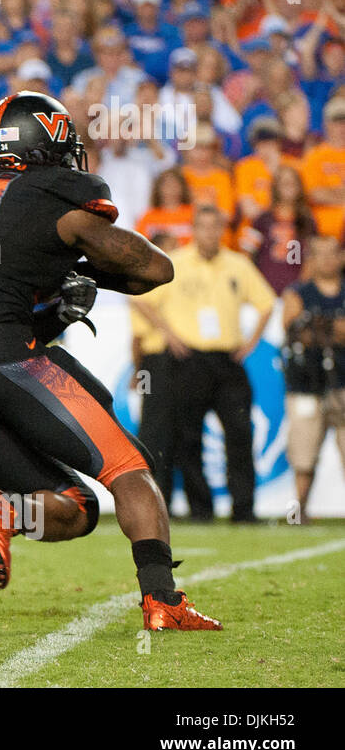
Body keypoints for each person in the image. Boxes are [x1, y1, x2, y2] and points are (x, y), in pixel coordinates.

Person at [0, 90, 221, 631]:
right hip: (3, 361)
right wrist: (91, 268)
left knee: (75, 508)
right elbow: (154, 270)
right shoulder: (54, 192)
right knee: (130, 469)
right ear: (49, 145)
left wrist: (56, 304)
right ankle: (162, 601)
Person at [133, 204, 276, 523]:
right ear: (194, 230)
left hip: (227, 358)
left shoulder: (238, 264)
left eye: (216, 227)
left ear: (222, 231)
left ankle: (244, 510)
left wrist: (250, 343)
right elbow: (142, 299)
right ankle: (201, 509)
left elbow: (267, 303)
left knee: (240, 433)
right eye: (204, 227)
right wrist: (169, 334)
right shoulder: (176, 263)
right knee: (188, 437)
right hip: (188, 359)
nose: (210, 234)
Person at [282, 236, 345, 518]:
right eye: (320, 254)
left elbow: (305, 330)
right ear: (311, 258)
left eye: (333, 253)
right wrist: (332, 330)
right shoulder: (298, 291)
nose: (327, 260)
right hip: (305, 382)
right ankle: (300, 510)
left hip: (342, 381)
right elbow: (292, 328)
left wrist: (316, 327)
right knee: (303, 452)